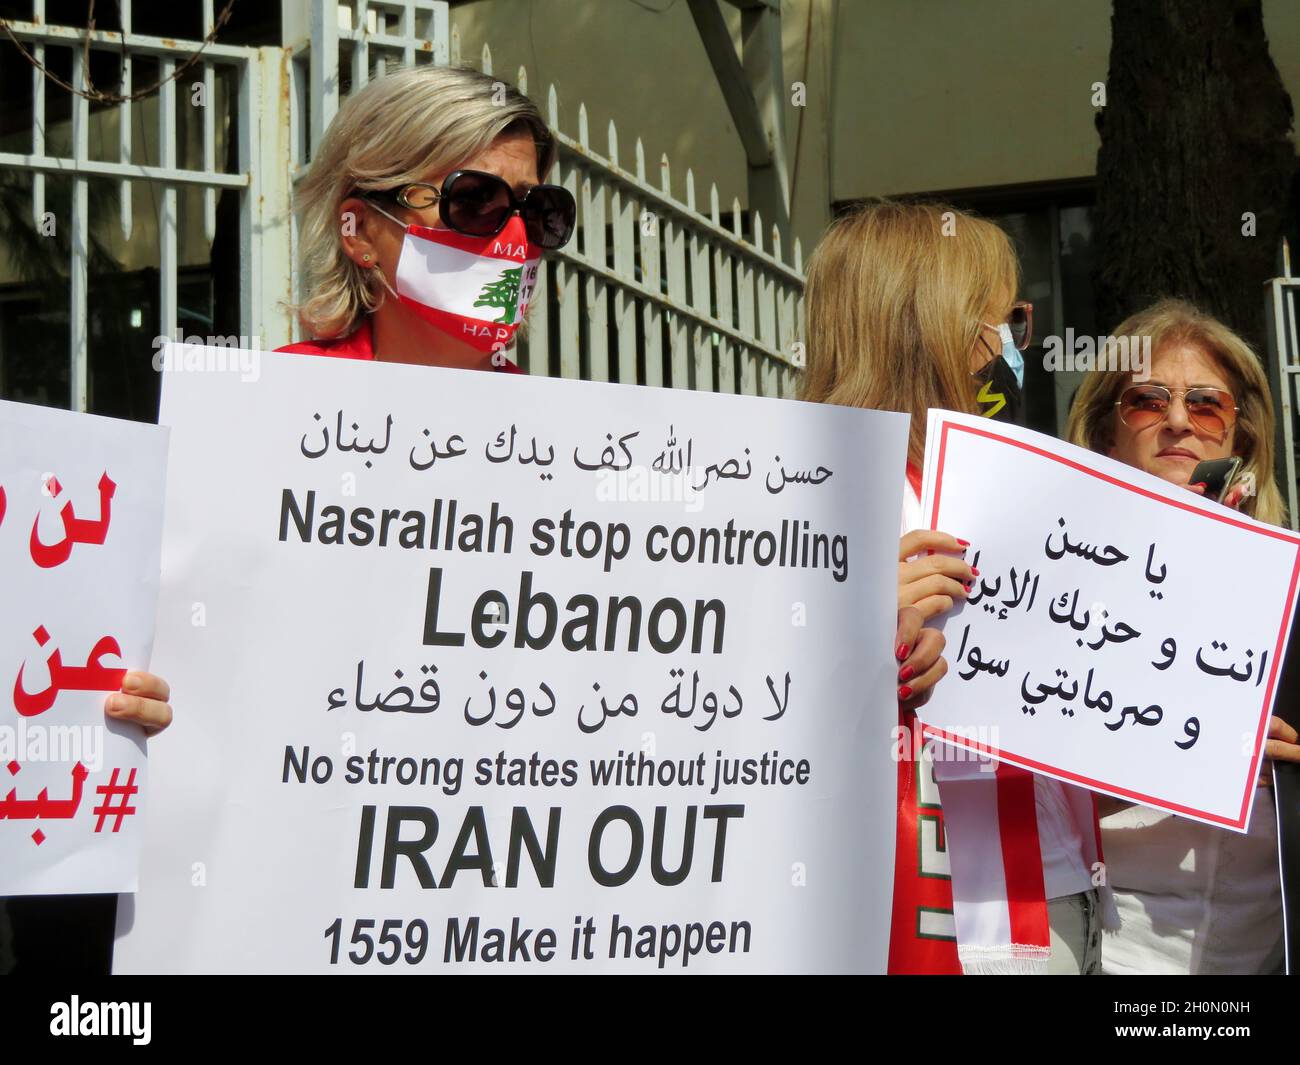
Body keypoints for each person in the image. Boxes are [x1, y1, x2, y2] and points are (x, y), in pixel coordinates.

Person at [802, 199, 1106, 974]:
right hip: (945, 914)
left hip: (1053, 886)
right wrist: (853, 624)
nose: (1014, 346)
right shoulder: (796, 499)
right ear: (933, 325)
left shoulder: (1000, 490)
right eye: (1004, 318)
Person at [1067, 298, 1300, 974]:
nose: (1177, 422)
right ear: (1107, 433)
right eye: (1146, 400)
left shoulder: (1292, 591)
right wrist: (1159, 758)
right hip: (1107, 957)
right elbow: (1007, 797)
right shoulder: (1052, 592)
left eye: (1205, 406)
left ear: (1241, 436)